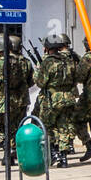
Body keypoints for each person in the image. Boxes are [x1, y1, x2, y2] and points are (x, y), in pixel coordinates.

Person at [32, 34, 80, 168]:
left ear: (47, 48)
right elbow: (76, 77)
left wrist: (37, 71)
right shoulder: (68, 60)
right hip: (68, 98)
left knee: (48, 126)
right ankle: (63, 158)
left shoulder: (48, 62)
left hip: (52, 99)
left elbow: (40, 82)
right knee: (63, 126)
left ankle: (54, 152)